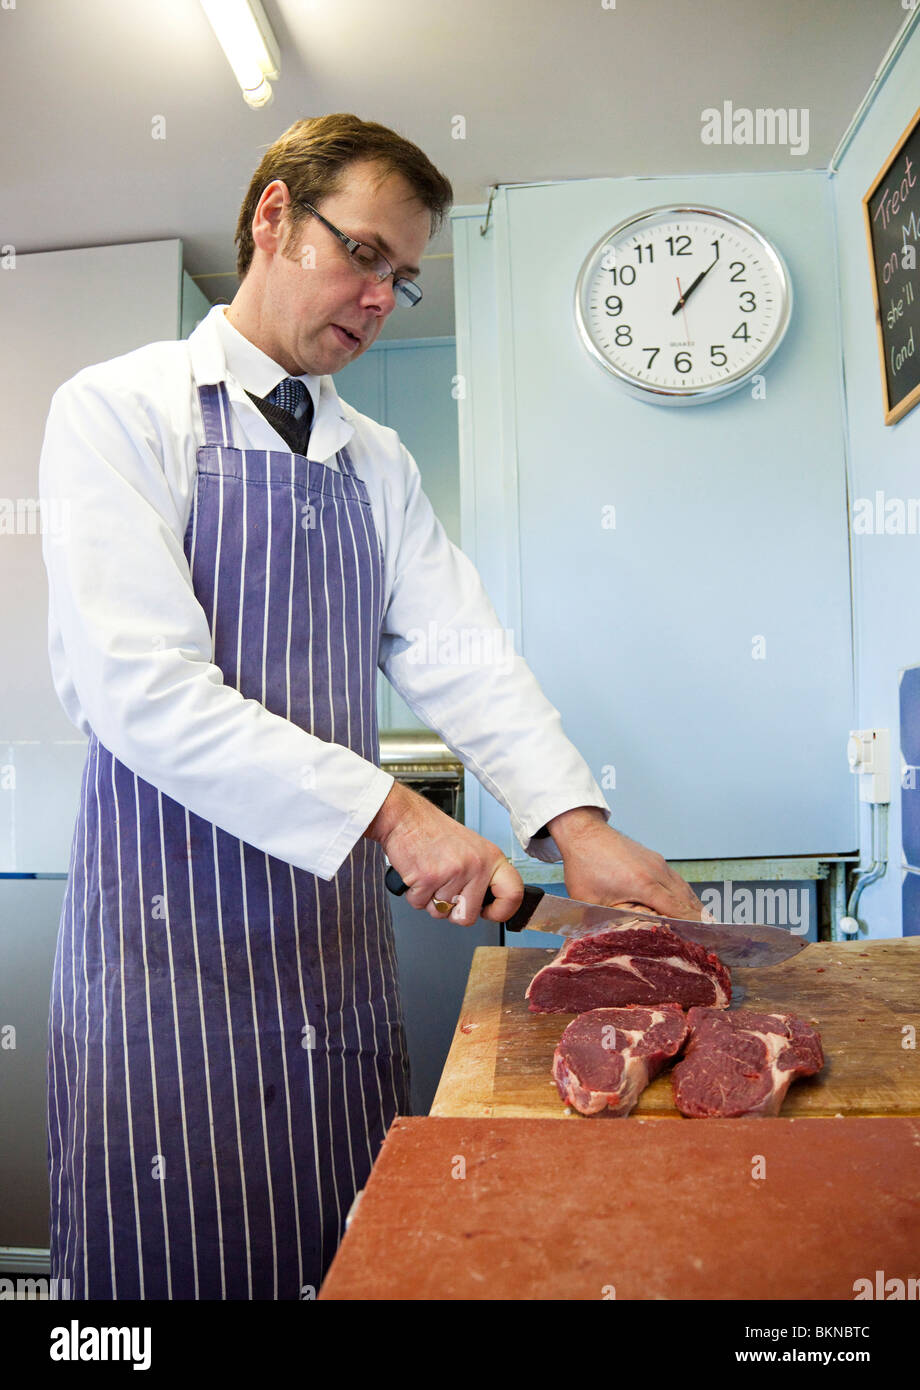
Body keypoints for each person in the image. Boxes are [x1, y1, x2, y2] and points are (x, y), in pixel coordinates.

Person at [39, 113, 703, 1301]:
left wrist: (573, 826)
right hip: (163, 973)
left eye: (402, 275)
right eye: (363, 255)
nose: (382, 296)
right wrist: (395, 815)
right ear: (274, 219)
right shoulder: (118, 410)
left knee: (350, 1258)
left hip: (327, 964)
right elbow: (138, 689)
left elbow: (460, 653)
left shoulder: (374, 462)